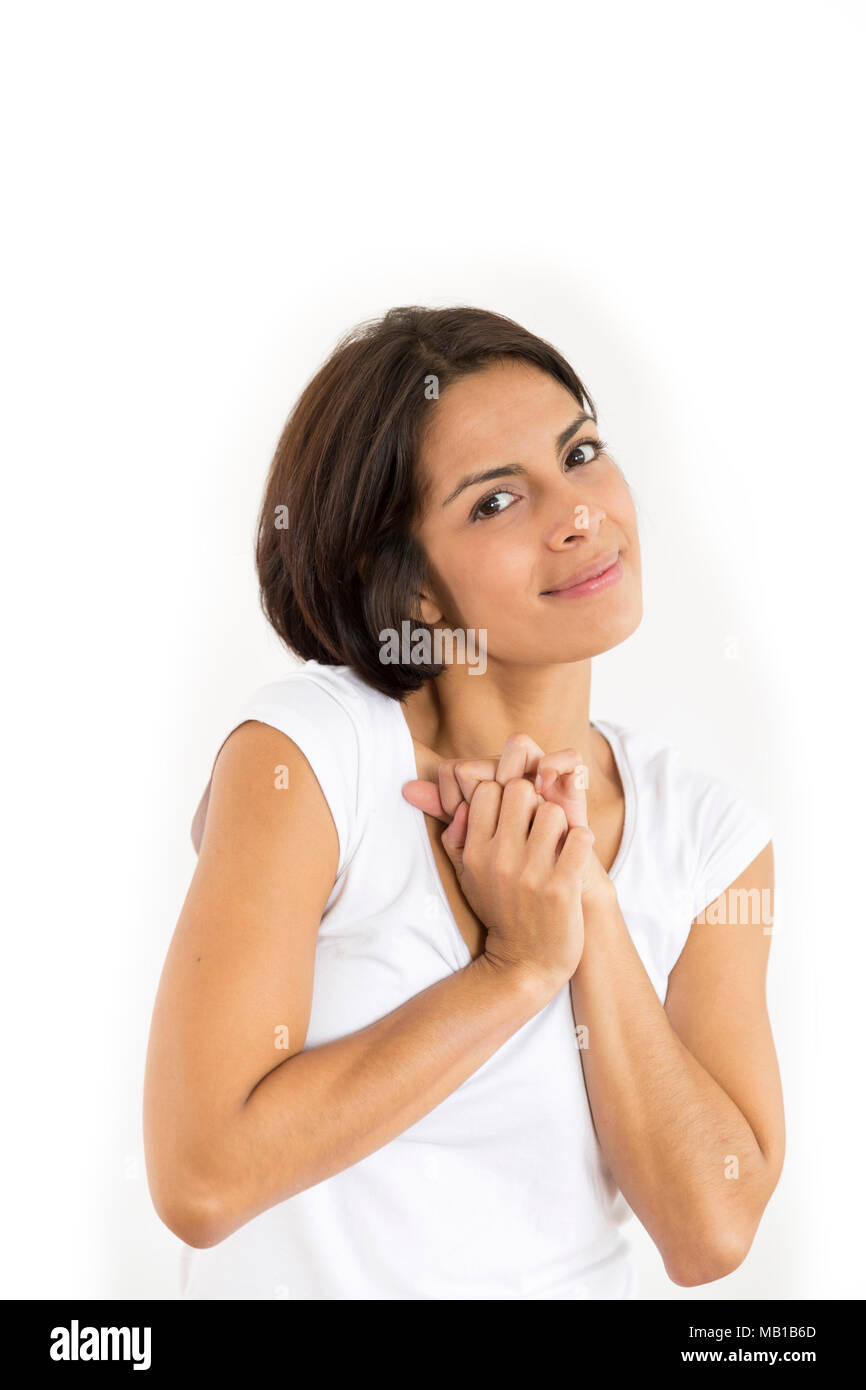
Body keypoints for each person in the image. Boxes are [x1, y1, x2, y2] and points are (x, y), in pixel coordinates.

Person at [143, 305, 784, 1300]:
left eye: (579, 451)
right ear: (412, 591)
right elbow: (202, 1177)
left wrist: (585, 907)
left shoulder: (706, 837)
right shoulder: (307, 761)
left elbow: (710, 1229)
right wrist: (514, 970)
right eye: (494, 503)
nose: (577, 512)